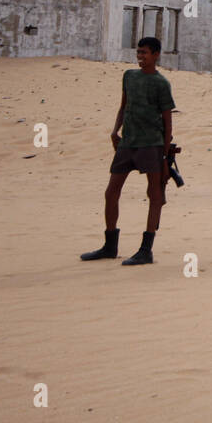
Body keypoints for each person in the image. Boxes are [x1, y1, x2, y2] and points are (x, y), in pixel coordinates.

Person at [80, 36, 175, 266]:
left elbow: (167, 119)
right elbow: (124, 106)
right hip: (127, 142)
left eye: (145, 53)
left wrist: (164, 152)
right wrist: (115, 131)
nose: (141, 57)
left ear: (156, 55)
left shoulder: (161, 83)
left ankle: (146, 249)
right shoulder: (129, 77)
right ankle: (110, 244)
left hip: (151, 143)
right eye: (138, 52)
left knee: (154, 194)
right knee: (111, 191)